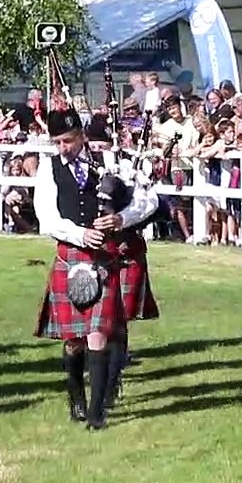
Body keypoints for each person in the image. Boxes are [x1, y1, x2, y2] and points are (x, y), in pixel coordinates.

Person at [33, 107, 156, 430]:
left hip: (104, 260)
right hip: (70, 257)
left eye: (69, 140)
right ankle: (76, 396)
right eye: (58, 142)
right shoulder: (48, 170)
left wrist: (122, 218)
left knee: (98, 335)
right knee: (74, 340)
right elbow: (47, 218)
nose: (64, 147)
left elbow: (147, 200)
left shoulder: (108, 163)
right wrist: (80, 233)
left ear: (82, 136)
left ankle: (97, 412)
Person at [91, 117, 159, 406]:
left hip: (127, 248)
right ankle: (102, 380)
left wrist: (122, 218)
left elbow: (149, 202)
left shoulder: (130, 166)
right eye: (92, 143)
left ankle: (112, 380)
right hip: (95, 250)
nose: (96, 148)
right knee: (99, 324)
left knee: (118, 323)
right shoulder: (82, 170)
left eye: (101, 143)